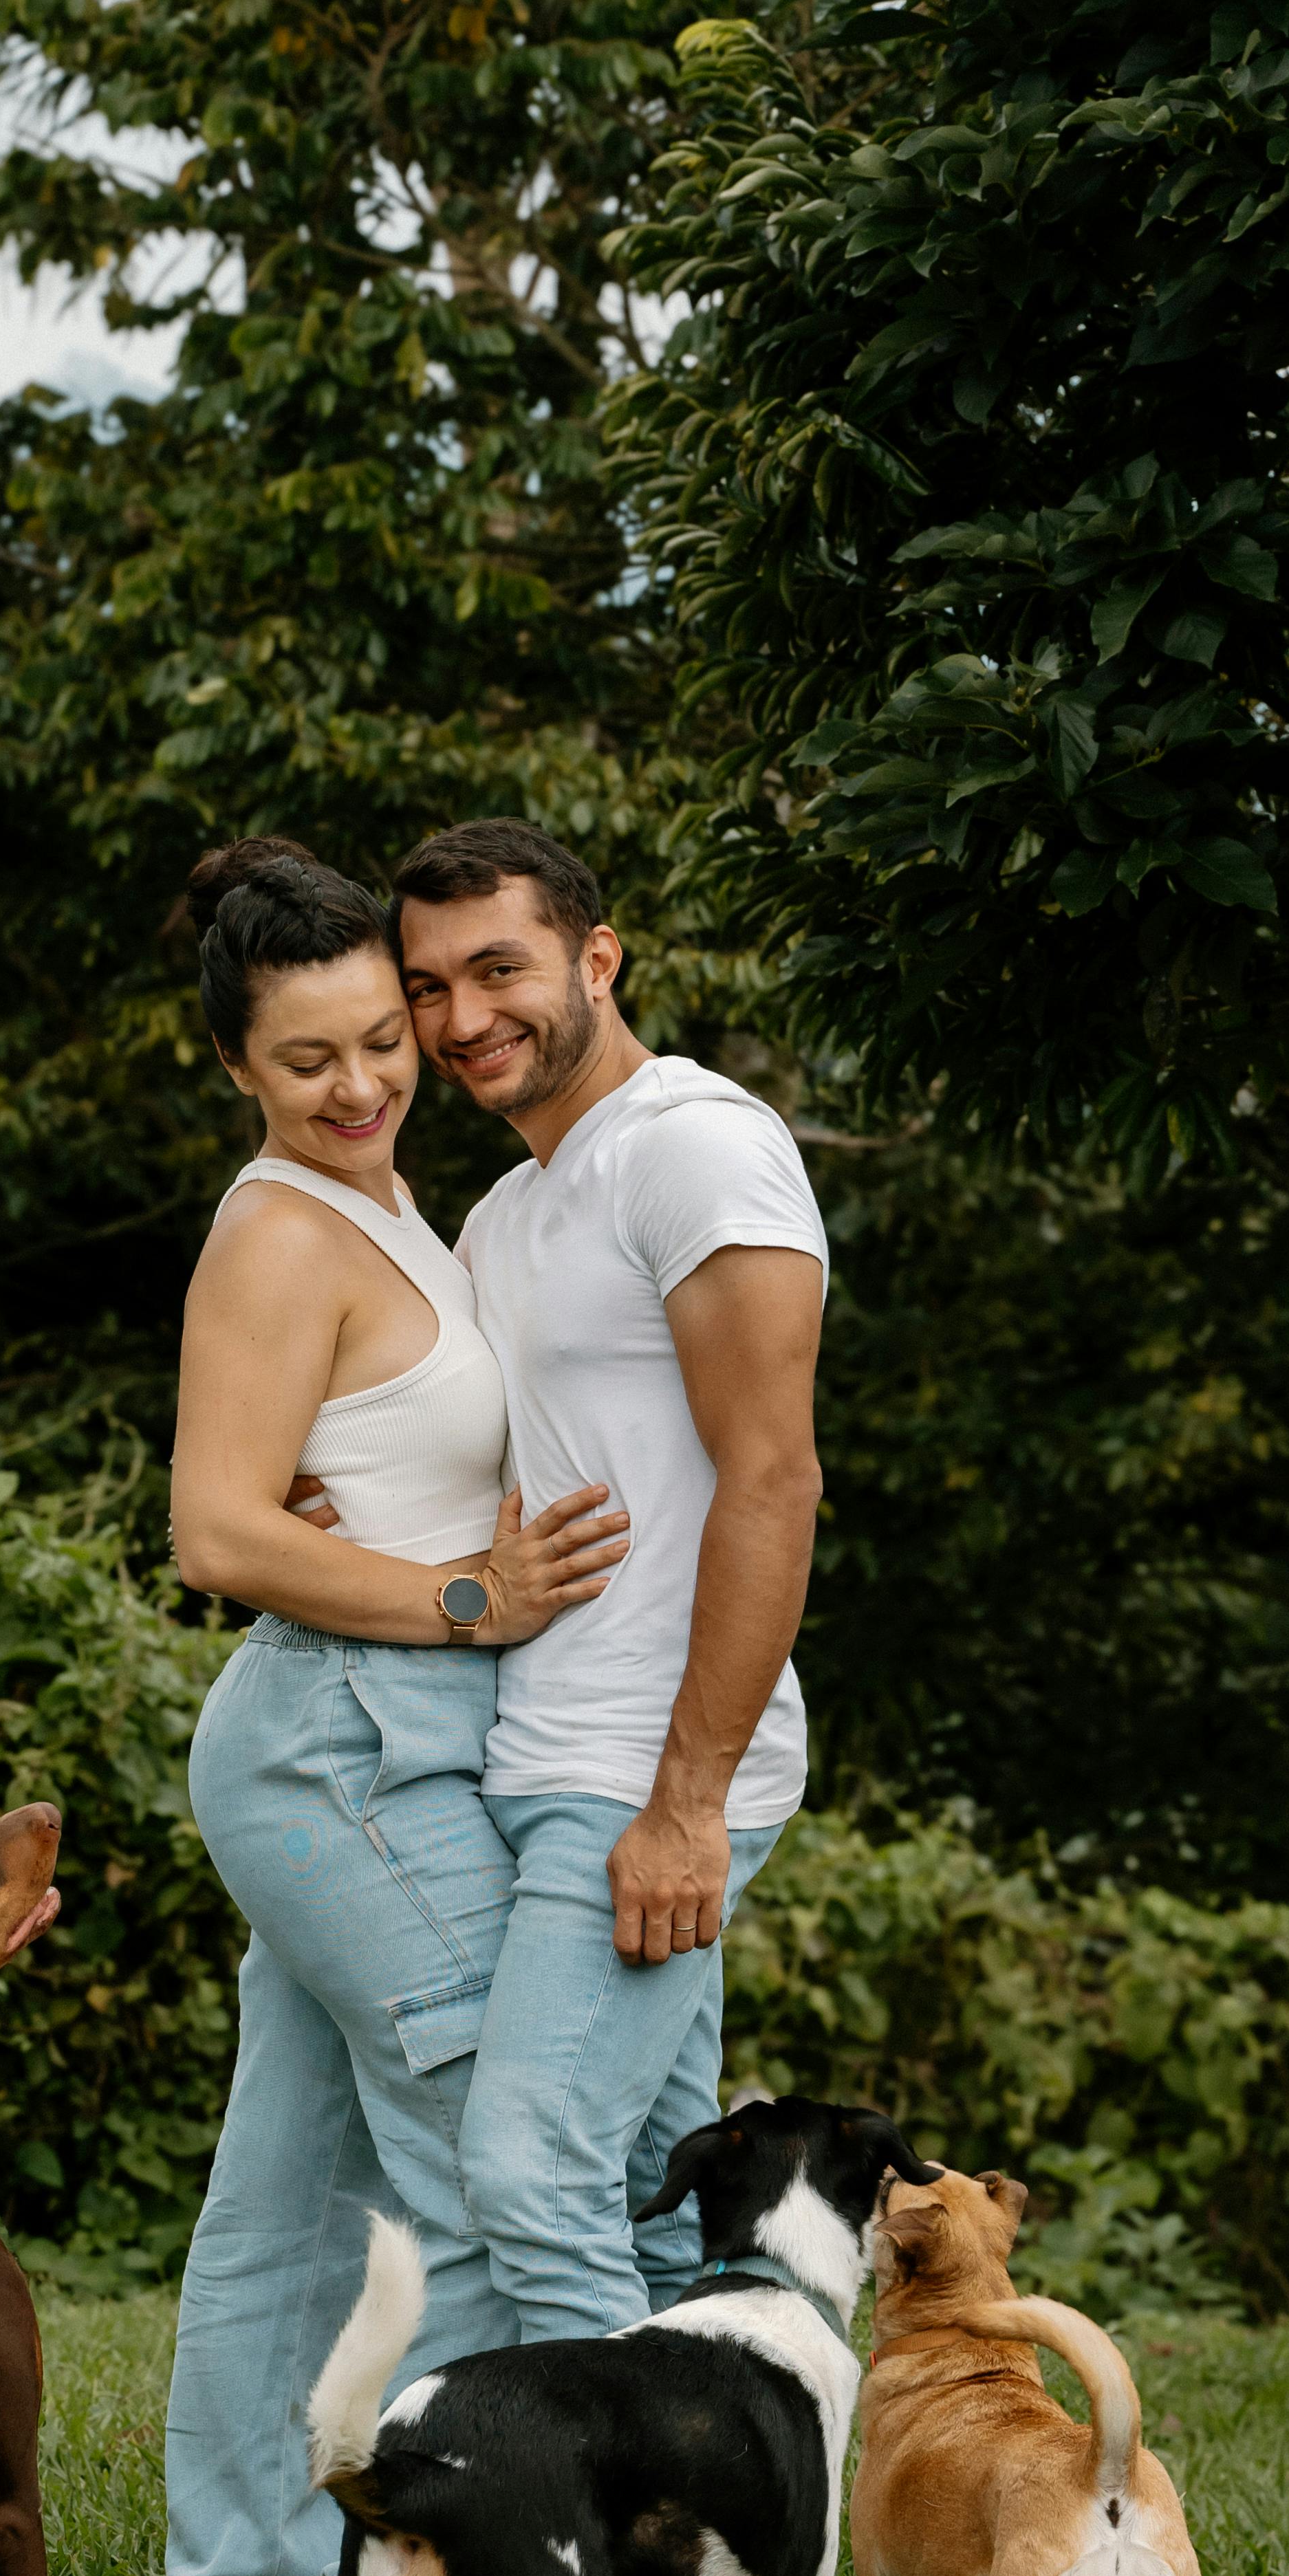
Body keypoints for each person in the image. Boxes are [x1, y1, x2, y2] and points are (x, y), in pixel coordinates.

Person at [158, 841, 627, 2576]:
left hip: (349, 1738)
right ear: (234, 1074)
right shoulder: (277, 1231)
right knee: (478, 2179)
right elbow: (216, 1529)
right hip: (351, 1745)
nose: (360, 1085)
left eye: (383, 1039)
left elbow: (341, 1469)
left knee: (294, 2182)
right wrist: (466, 1601)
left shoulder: (384, 1198)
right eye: (306, 1063)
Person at [385, 818, 827, 2351]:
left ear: (595, 956)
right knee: (663, 2189)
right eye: (427, 987)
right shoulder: (502, 1216)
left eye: (495, 969)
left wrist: (684, 1801)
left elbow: (772, 1478)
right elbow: (493, 1466)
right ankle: (768, 2534)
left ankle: (595, 2559)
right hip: (530, 1751)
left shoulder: (693, 1146)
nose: (458, 1019)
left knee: (524, 2166)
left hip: (646, 1770)